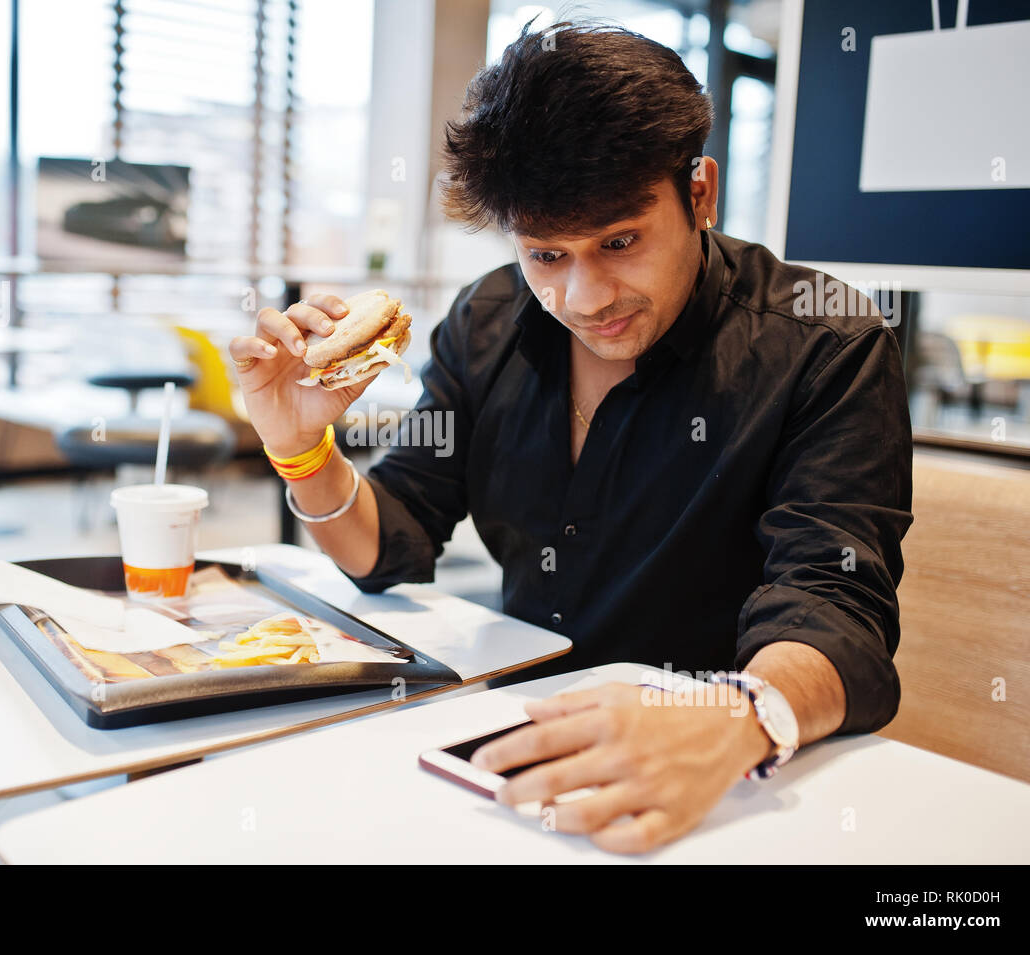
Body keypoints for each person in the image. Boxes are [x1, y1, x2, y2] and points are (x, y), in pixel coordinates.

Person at [229, 20, 913, 854]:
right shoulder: (486, 322)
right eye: (547, 255)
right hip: (514, 749)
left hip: (728, 777)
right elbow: (394, 539)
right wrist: (304, 451)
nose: (586, 296)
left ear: (700, 192)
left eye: (619, 242)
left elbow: (834, 608)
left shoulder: (825, 340)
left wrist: (730, 717)